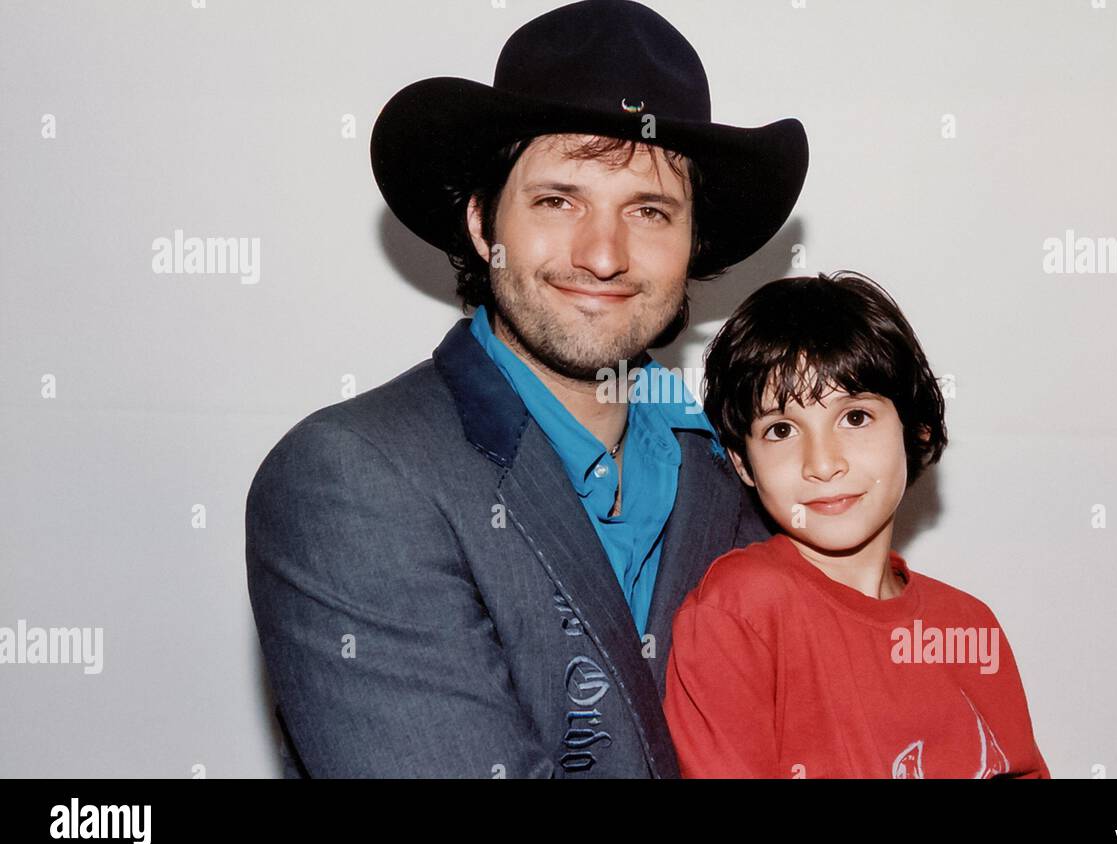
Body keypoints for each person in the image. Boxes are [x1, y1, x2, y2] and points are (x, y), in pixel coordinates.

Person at [244, 0, 807, 777]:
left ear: (691, 245)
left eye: (648, 210)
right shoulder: (352, 477)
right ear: (483, 225)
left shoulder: (754, 471)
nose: (603, 255)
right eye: (558, 200)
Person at [662, 271, 1051, 778]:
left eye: (855, 418)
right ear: (742, 462)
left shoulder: (968, 624)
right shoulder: (741, 612)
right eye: (781, 430)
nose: (822, 463)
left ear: (915, 429)